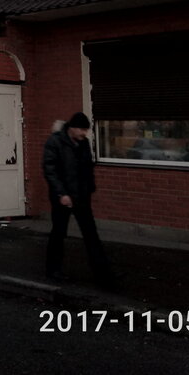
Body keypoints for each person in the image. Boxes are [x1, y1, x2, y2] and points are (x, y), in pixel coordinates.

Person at [42, 112, 115, 287]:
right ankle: (53, 269)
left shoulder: (84, 143)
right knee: (59, 232)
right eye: (82, 129)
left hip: (81, 196)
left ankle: (103, 273)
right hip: (63, 197)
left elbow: (87, 168)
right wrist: (61, 193)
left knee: (91, 233)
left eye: (86, 130)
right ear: (72, 128)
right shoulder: (55, 142)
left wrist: (90, 188)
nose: (84, 133)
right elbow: (50, 170)